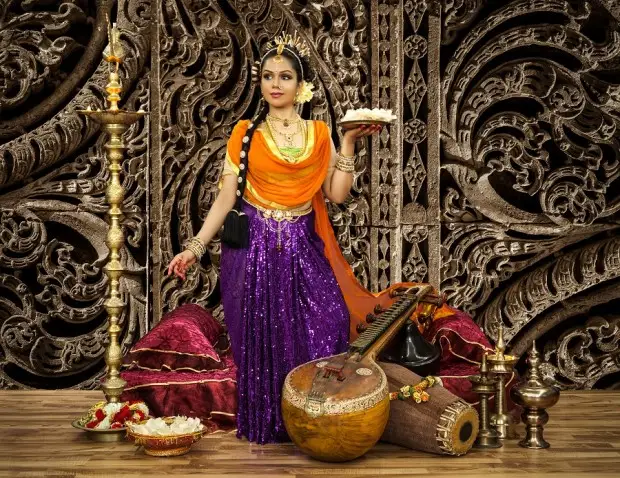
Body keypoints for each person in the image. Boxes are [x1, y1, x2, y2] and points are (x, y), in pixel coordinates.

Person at [167, 33, 382, 444]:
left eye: (285, 76)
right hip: (253, 250)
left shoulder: (319, 135)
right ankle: (272, 422)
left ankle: (316, 419)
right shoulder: (246, 134)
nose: (275, 84)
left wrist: (349, 142)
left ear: (301, 86)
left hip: (302, 245)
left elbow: (336, 195)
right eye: (268, 76)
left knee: (328, 319)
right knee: (262, 338)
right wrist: (194, 247)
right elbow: (225, 199)